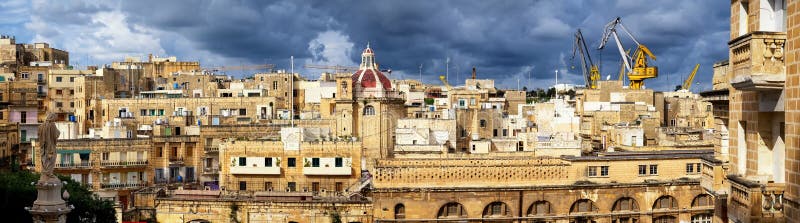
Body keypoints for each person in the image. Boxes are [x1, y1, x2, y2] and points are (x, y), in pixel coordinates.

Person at [38, 113, 60, 180]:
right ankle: (49, 173)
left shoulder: (41, 126)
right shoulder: (52, 125)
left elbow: (38, 134)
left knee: (45, 159)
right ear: (52, 117)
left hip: (43, 147)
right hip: (51, 146)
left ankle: (45, 172)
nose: (55, 120)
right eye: (54, 118)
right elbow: (56, 135)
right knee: (52, 159)